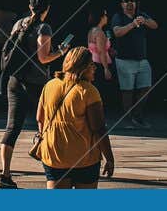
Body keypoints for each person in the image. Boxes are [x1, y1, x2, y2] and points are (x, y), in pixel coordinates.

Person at [0, 0, 62, 188]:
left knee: (12, 127)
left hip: (15, 81)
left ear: (30, 6)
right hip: (36, 83)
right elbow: (44, 58)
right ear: (47, 8)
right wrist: (61, 51)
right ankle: (54, 171)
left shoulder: (19, 24)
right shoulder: (44, 27)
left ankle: (5, 174)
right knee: (47, 123)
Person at [36, 47, 115, 189]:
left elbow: (40, 118)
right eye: (91, 64)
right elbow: (98, 128)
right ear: (83, 68)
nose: (94, 68)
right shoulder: (88, 91)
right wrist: (109, 158)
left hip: (54, 157)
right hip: (84, 159)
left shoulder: (50, 85)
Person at [109, 0, 159, 127]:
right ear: (122, 4)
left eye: (132, 1)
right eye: (126, 1)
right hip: (124, 60)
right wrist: (132, 24)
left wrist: (145, 21)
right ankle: (127, 119)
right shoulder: (118, 16)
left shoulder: (141, 14)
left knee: (146, 87)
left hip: (142, 60)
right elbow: (117, 32)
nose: (130, 4)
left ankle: (137, 115)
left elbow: (155, 25)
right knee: (127, 91)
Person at [86, 7, 114, 100]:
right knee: (100, 92)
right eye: (105, 15)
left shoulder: (91, 31)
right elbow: (101, 52)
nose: (107, 17)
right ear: (101, 17)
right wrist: (106, 69)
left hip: (93, 64)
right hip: (100, 66)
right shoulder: (99, 32)